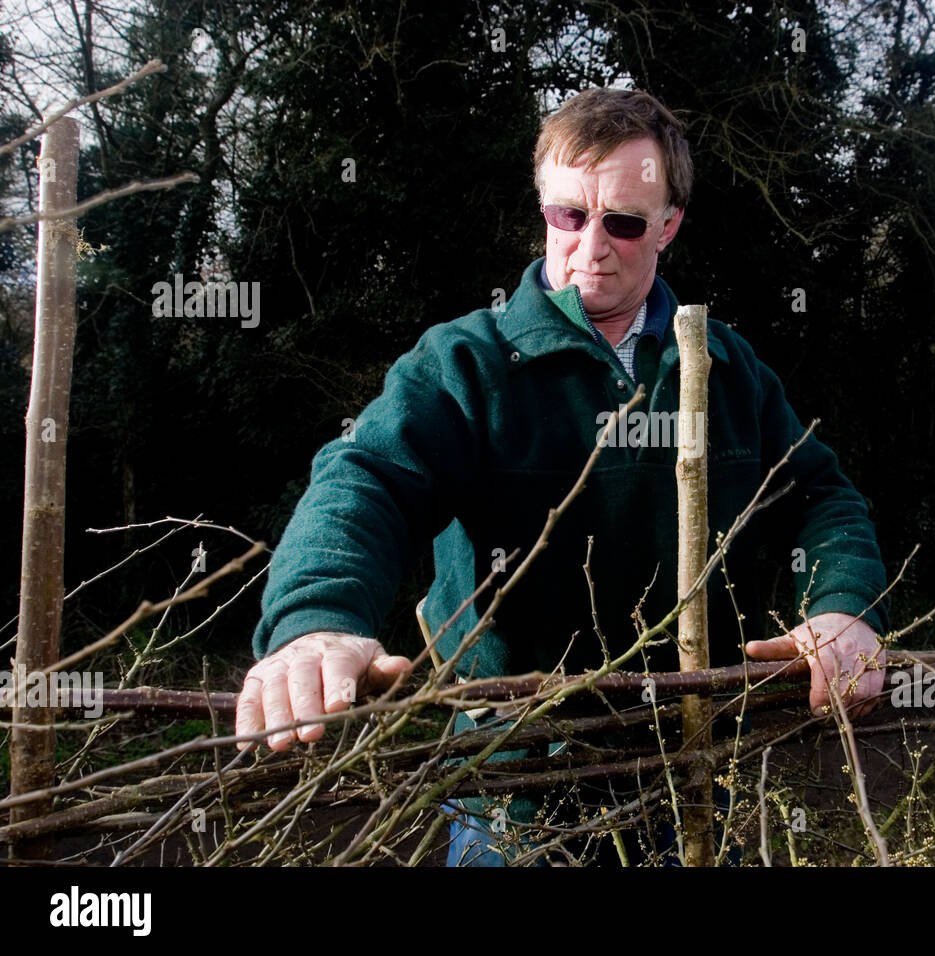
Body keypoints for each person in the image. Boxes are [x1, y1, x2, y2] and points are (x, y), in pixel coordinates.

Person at [236, 87, 890, 864]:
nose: (591, 247)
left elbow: (820, 495)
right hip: (513, 779)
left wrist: (844, 607)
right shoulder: (466, 364)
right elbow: (367, 477)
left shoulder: (726, 369)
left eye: (623, 222)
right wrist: (318, 619)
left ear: (670, 225)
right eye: (568, 215)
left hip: (690, 769)